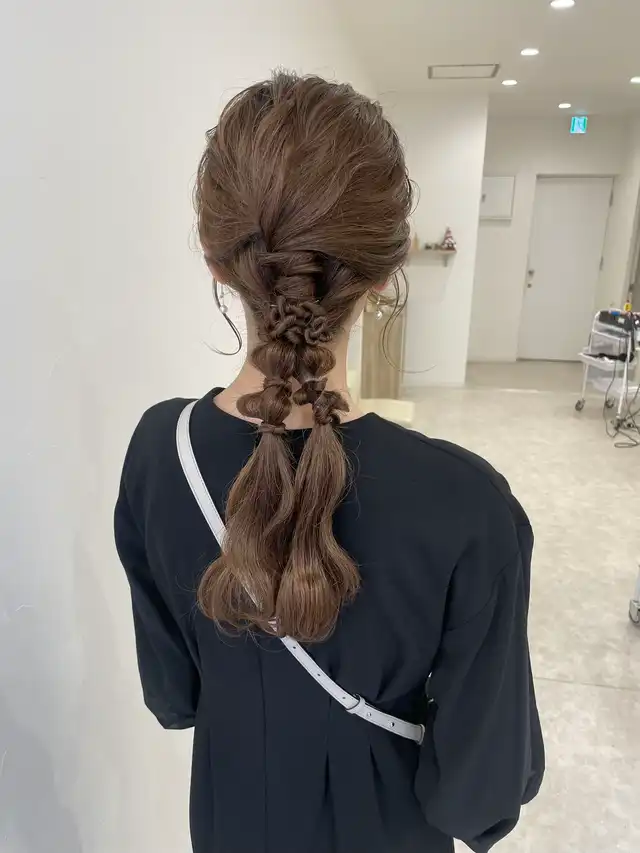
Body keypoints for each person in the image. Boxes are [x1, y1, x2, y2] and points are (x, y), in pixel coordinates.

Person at [114, 71, 544, 853]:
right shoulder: (467, 504)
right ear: (387, 269)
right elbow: (477, 794)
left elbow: (174, 694)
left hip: (228, 820)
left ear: (216, 261)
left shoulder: (158, 451)